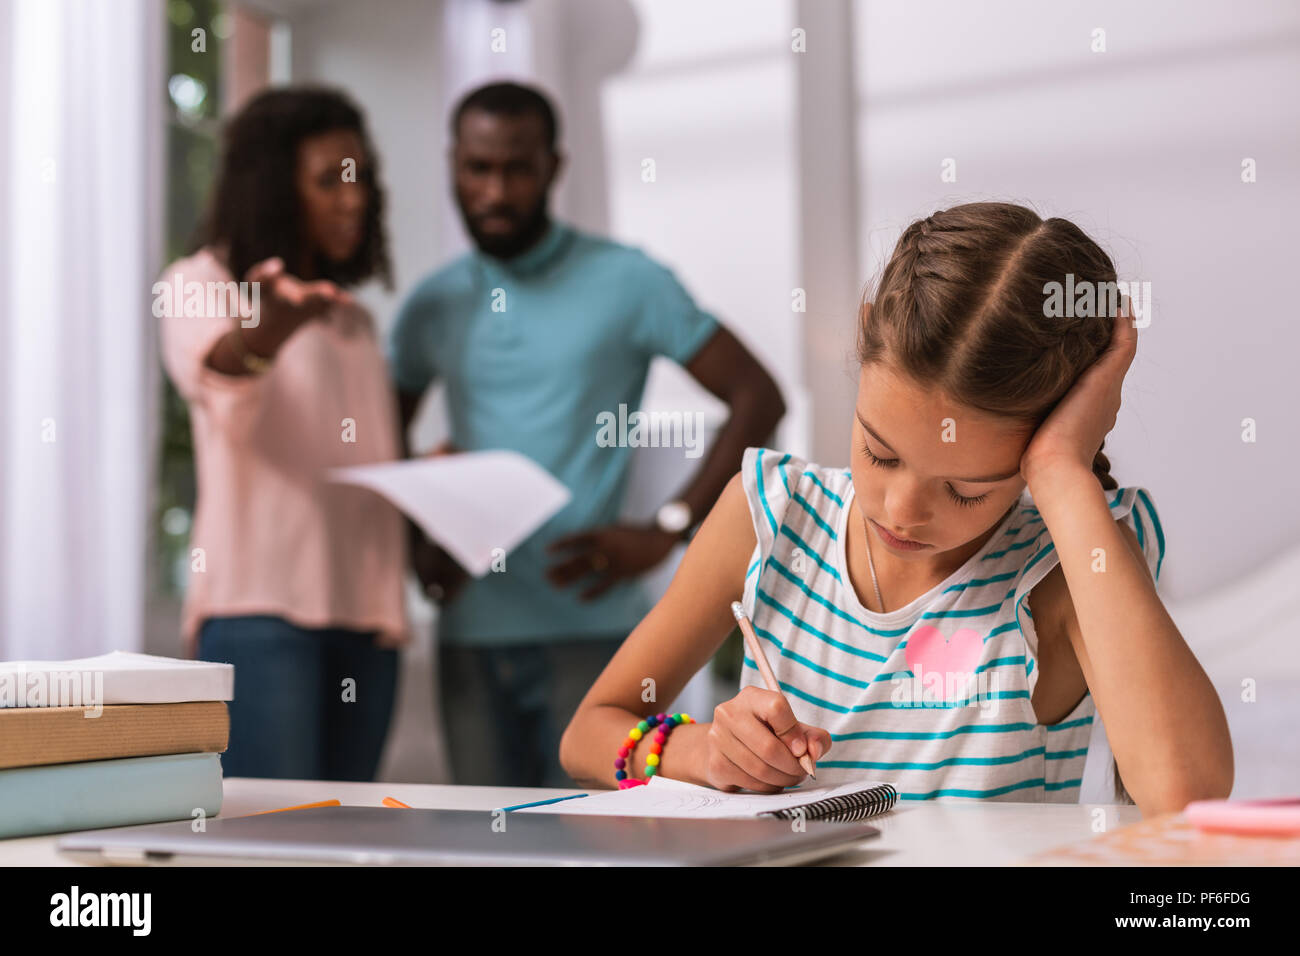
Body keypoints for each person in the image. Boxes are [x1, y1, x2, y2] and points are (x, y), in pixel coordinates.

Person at [561, 202, 1234, 817]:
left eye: (966, 488)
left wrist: (1064, 474)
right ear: (862, 342)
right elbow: (591, 731)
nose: (902, 511)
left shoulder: (1065, 566)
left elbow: (1186, 792)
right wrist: (702, 751)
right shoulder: (773, 514)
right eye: (880, 454)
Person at [388, 82, 787, 787]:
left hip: (598, 638)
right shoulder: (433, 303)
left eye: (517, 168)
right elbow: (380, 427)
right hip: (472, 637)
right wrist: (417, 542)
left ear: (554, 168)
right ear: (453, 165)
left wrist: (667, 527)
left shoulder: (627, 281)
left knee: (596, 848)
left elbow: (758, 395)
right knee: (483, 852)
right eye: (478, 169)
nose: (496, 190)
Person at [158, 87, 407, 781]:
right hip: (259, 616)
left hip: (366, 621)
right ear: (273, 186)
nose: (352, 200)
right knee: (271, 846)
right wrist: (268, 331)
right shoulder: (199, 285)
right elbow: (222, 377)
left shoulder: (353, 320)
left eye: (360, 179)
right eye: (330, 180)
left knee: (346, 843)